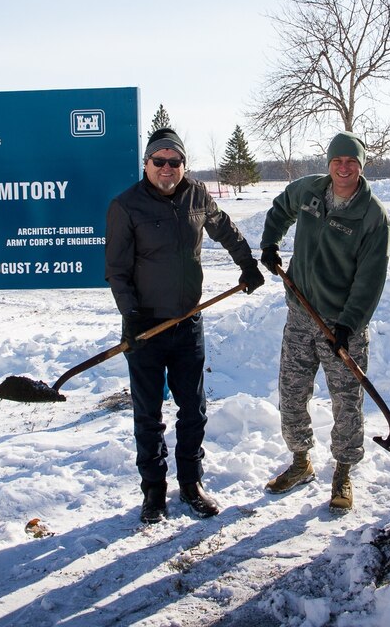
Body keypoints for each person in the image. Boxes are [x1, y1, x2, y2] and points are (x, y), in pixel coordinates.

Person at [105, 127, 265, 524]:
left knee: (193, 409)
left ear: (183, 165)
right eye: (159, 161)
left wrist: (245, 263)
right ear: (146, 163)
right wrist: (132, 315)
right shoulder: (126, 206)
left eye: (174, 161)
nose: (167, 168)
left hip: (187, 322)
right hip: (144, 328)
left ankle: (191, 484)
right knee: (148, 413)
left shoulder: (196, 194)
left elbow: (223, 227)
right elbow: (117, 270)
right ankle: (153, 492)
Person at [259, 131, 390, 512]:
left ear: (361, 166)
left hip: (340, 324)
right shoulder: (311, 191)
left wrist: (348, 326)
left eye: (351, 161)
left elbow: (370, 280)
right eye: (337, 161)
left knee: (346, 402)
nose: (344, 167)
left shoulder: (372, 215)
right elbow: (280, 207)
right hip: (301, 313)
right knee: (292, 393)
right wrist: (270, 242)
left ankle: (343, 472)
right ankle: (300, 462)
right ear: (329, 164)